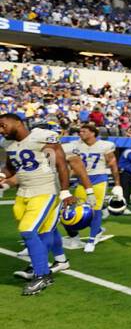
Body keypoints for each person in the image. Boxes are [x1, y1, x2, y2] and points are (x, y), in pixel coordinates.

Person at [0, 113, 79, 295]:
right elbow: (12, 166)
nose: (0, 130)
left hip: (45, 190)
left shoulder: (41, 136)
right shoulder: (7, 144)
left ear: (18, 123)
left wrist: (65, 191)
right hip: (23, 192)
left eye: (3, 125)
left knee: (28, 230)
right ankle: (41, 264)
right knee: (43, 231)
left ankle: (42, 275)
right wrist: (3, 175)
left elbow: (60, 164)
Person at [66, 123, 123, 253]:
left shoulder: (105, 145)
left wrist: (117, 183)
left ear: (93, 133)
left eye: (84, 131)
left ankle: (91, 240)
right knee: (75, 209)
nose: (81, 133)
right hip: (82, 181)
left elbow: (113, 165)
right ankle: (94, 231)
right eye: (80, 131)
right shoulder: (75, 145)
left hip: (99, 179)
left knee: (95, 209)